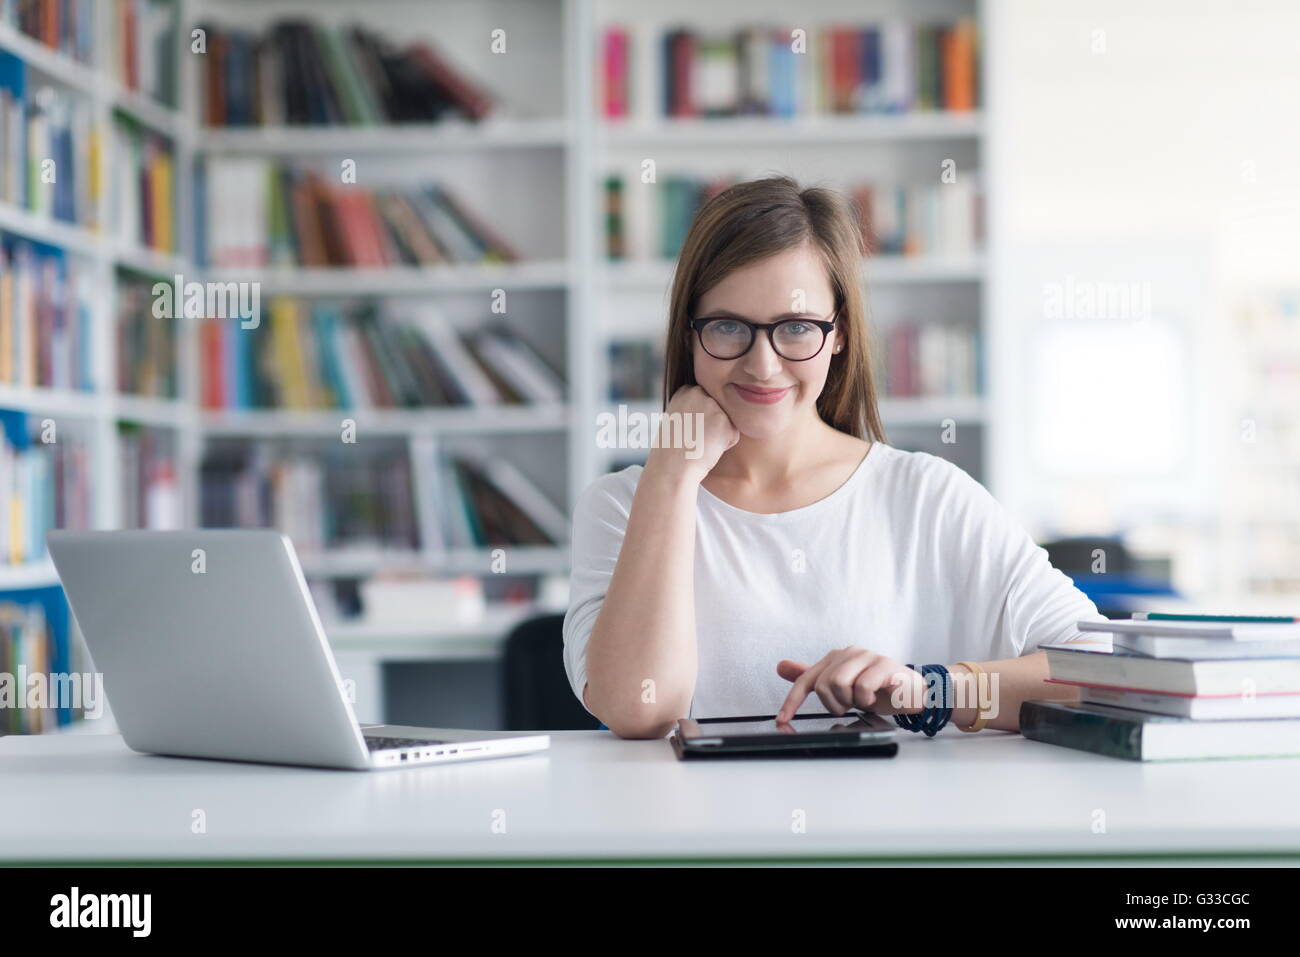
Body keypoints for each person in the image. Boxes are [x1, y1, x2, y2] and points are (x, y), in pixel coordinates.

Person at [563, 175, 1104, 739]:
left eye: (796, 328)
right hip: (695, 827)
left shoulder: (927, 497)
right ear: (689, 334)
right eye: (728, 327)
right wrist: (672, 475)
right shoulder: (623, 504)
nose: (762, 365)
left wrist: (932, 689)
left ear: (839, 333)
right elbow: (638, 709)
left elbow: (1104, 675)